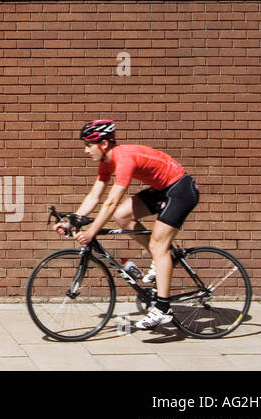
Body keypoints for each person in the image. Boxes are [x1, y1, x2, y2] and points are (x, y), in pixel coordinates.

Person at [53, 119, 200, 330]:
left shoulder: (124, 159)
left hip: (180, 191)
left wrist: (92, 231)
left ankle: (163, 307)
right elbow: (95, 195)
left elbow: (111, 201)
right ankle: (164, 257)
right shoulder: (106, 163)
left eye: (88, 145)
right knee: (122, 216)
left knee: (159, 247)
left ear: (103, 144)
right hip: (162, 189)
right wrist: (71, 220)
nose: (86, 151)